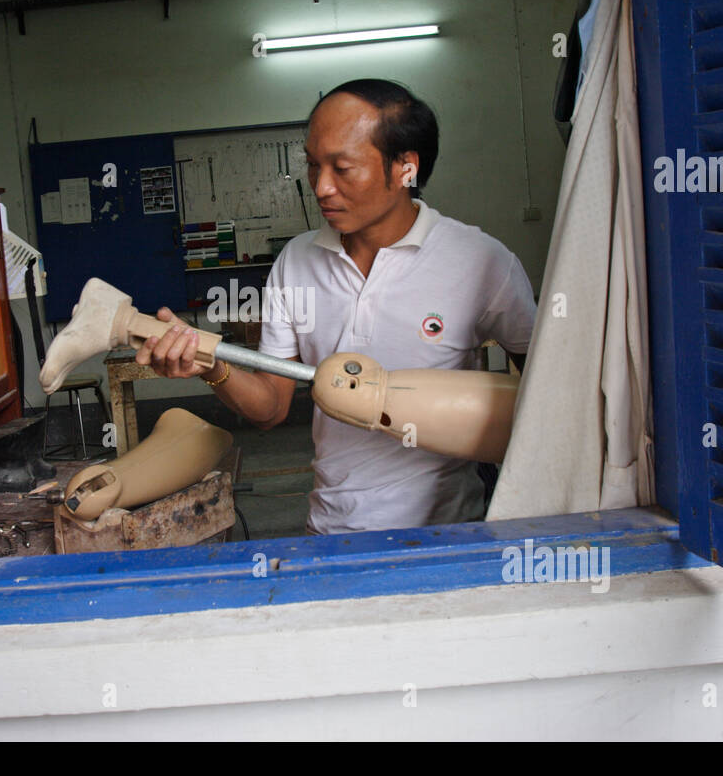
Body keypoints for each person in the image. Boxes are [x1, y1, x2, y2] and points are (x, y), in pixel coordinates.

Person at [136, 79, 537, 533]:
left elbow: (550, 395)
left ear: (406, 168)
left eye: (343, 168)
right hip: (330, 530)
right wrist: (210, 365)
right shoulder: (297, 261)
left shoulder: (480, 261)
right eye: (312, 165)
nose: (321, 187)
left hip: (448, 531)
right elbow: (270, 409)